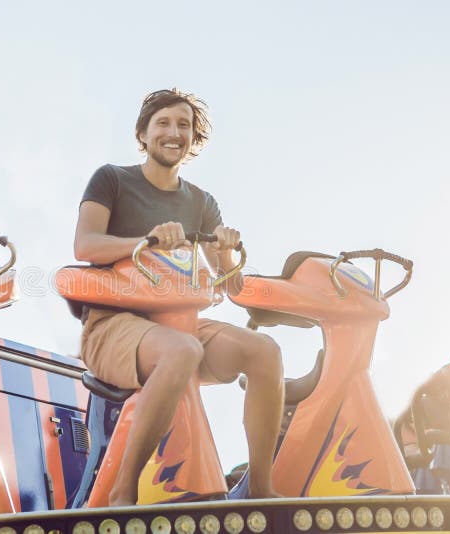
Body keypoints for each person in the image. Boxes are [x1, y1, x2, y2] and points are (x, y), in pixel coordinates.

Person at [73, 88, 284, 505]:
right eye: (164, 123)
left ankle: (258, 488)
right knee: (182, 351)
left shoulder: (202, 202)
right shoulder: (112, 179)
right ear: (144, 134)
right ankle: (123, 489)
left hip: (183, 323)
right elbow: (85, 246)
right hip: (113, 326)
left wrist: (225, 249)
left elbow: (232, 287)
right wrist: (147, 240)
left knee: (265, 351)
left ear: (193, 139)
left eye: (184, 125)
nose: (174, 132)